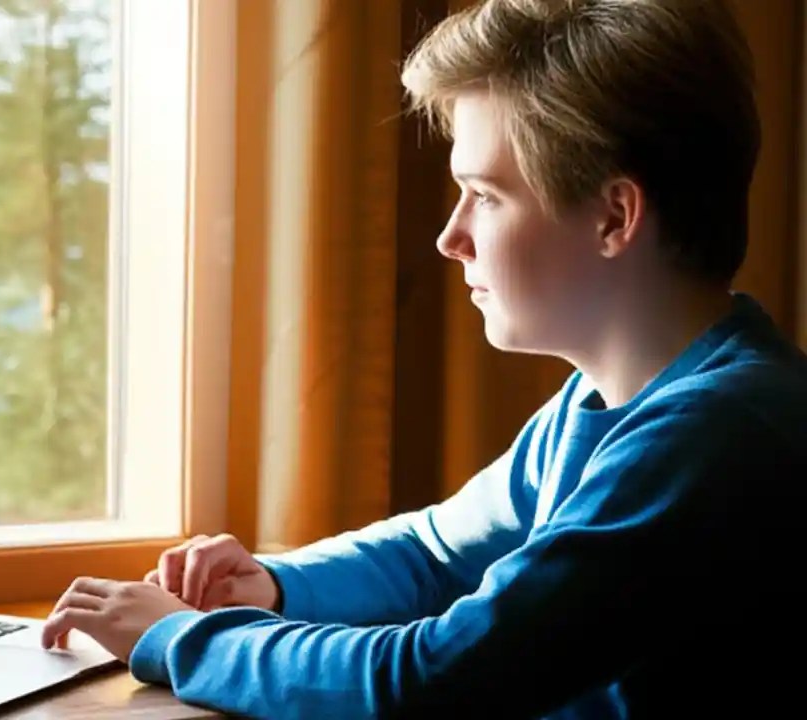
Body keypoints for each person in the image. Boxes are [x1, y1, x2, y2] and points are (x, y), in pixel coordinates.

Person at [40, 0, 807, 717]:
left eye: (486, 194)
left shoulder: (719, 432)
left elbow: (437, 677)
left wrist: (180, 638)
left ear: (615, 216)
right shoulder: (605, 399)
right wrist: (273, 586)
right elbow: (436, 553)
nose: (451, 237)